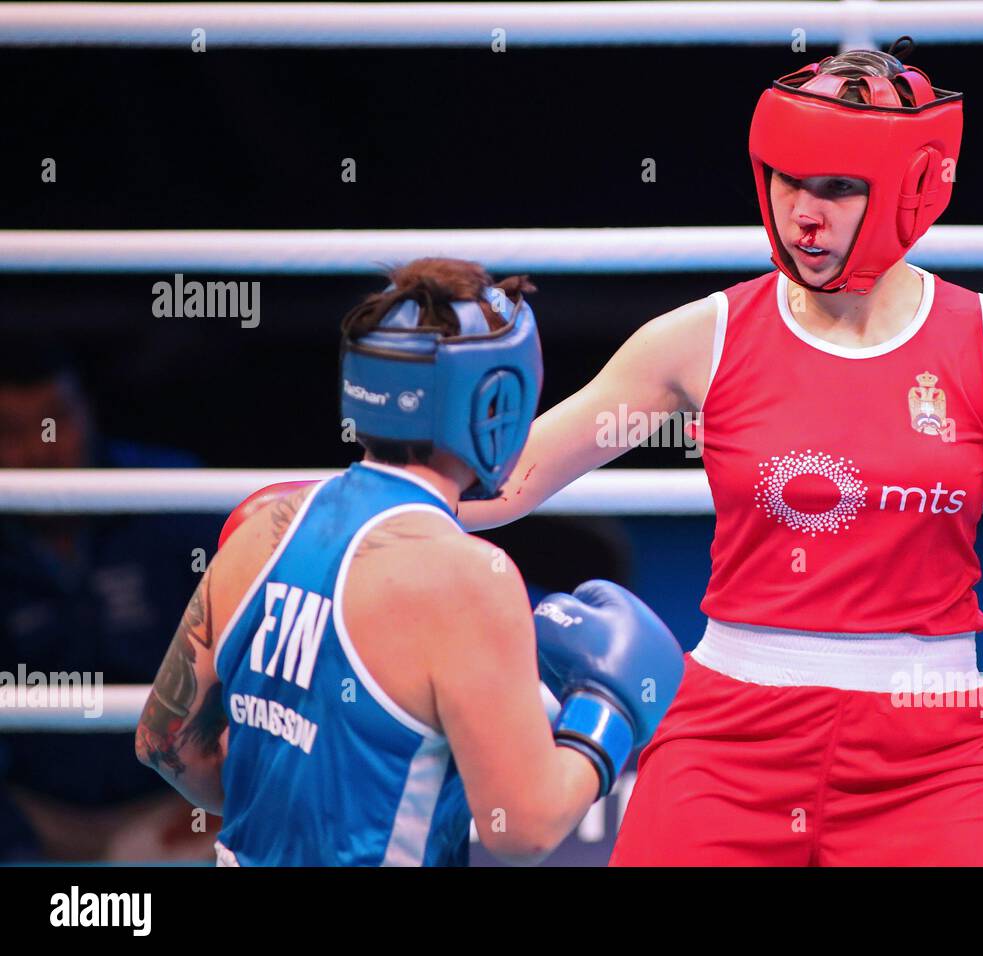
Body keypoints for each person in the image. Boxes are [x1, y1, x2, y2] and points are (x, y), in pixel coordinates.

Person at [457, 45, 983, 865]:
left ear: (910, 191)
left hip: (929, 754)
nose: (802, 214)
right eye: (787, 181)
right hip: (727, 740)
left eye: (839, 188)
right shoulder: (704, 337)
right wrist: (350, 504)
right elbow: (513, 478)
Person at [135, 258, 684, 865]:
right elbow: (523, 829)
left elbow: (165, 744)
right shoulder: (470, 580)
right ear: (500, 401)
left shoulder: (266, 525)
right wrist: (608, 712)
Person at [0, 345, 224, 862]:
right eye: (11, 432)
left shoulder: (171, 500)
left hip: (170, 804)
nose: (40, 449)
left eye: (54, 420)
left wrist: (221, 790)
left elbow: (254, 660)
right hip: (29, 809)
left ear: (88, 412)